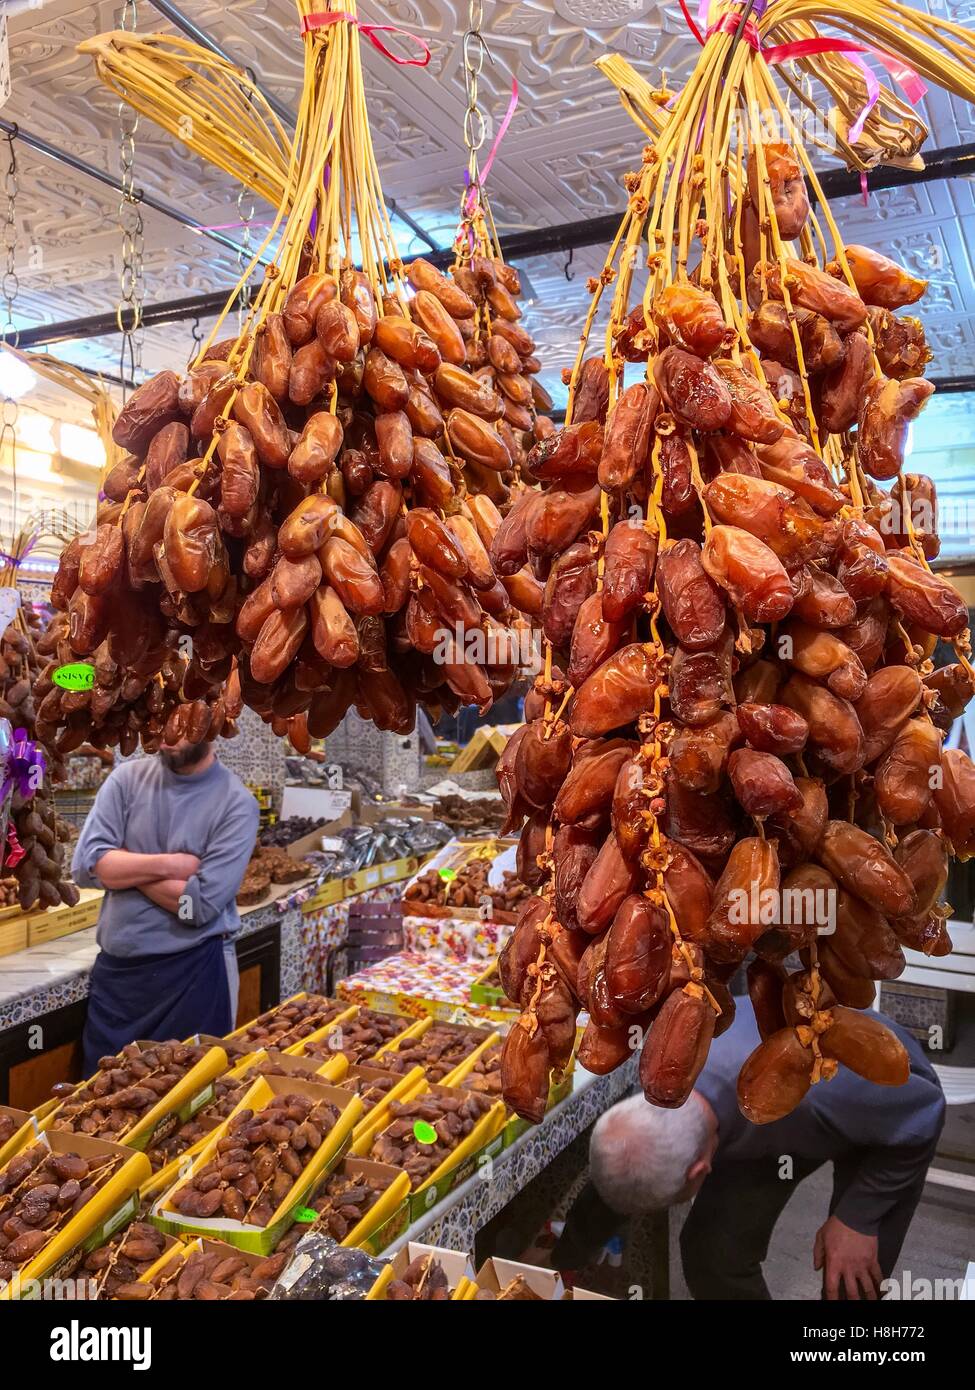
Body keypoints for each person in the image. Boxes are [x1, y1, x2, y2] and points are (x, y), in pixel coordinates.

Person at [553, 1002, 946, 1300]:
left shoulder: (818, 1089)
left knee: (851, 1282)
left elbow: (924, 1111)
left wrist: (859, 1218)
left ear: (701, 1170)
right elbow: (618, 1179)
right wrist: (562, 1265)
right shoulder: (652, 1091)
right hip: (762, 1129)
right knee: (712, 1256)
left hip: (888, 1125)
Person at [72, 737, 259, 1071]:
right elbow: (87, 866)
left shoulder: (236, 803)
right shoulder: (125, 780)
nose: (173, 735)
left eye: (188, 725)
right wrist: (171, 865)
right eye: (167, 721)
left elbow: (196, 907)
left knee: (191, 1106)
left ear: (213, 724)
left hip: (193, 976)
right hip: (118, 982)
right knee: (101, 1101)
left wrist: (124, 866)